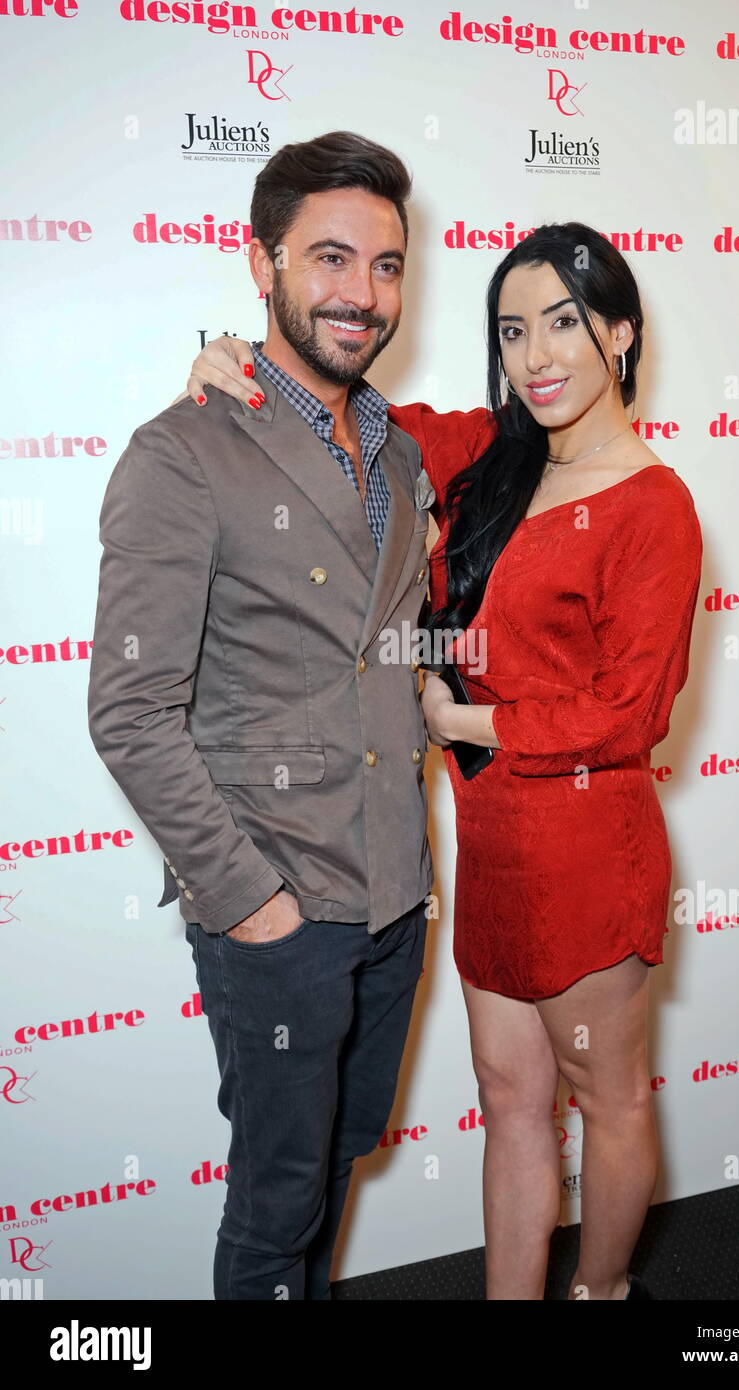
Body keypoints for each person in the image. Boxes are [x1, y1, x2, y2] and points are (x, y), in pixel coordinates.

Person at [183, 221, 703, 1300]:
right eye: (513, 331)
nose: (538, 358)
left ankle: (601, 1293)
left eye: (564, 324)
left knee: (607, 1097)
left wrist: (467, 724)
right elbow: (356, 423)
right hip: (496, 852)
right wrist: (239, 368)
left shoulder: (655, 504)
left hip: (590, 851)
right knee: (510, 1102)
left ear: (620, 332)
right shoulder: (488, 456)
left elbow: (631, 708)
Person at [87, 131, 437, 1301]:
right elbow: (130, 712)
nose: (362, 292)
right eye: (331, 258)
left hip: (396, 894)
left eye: (387, 266)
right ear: (261, 262)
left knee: (337, 1166)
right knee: (275, 1201)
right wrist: (255, 908)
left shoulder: (400, 456)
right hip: (282, 911)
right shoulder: (184, 453)